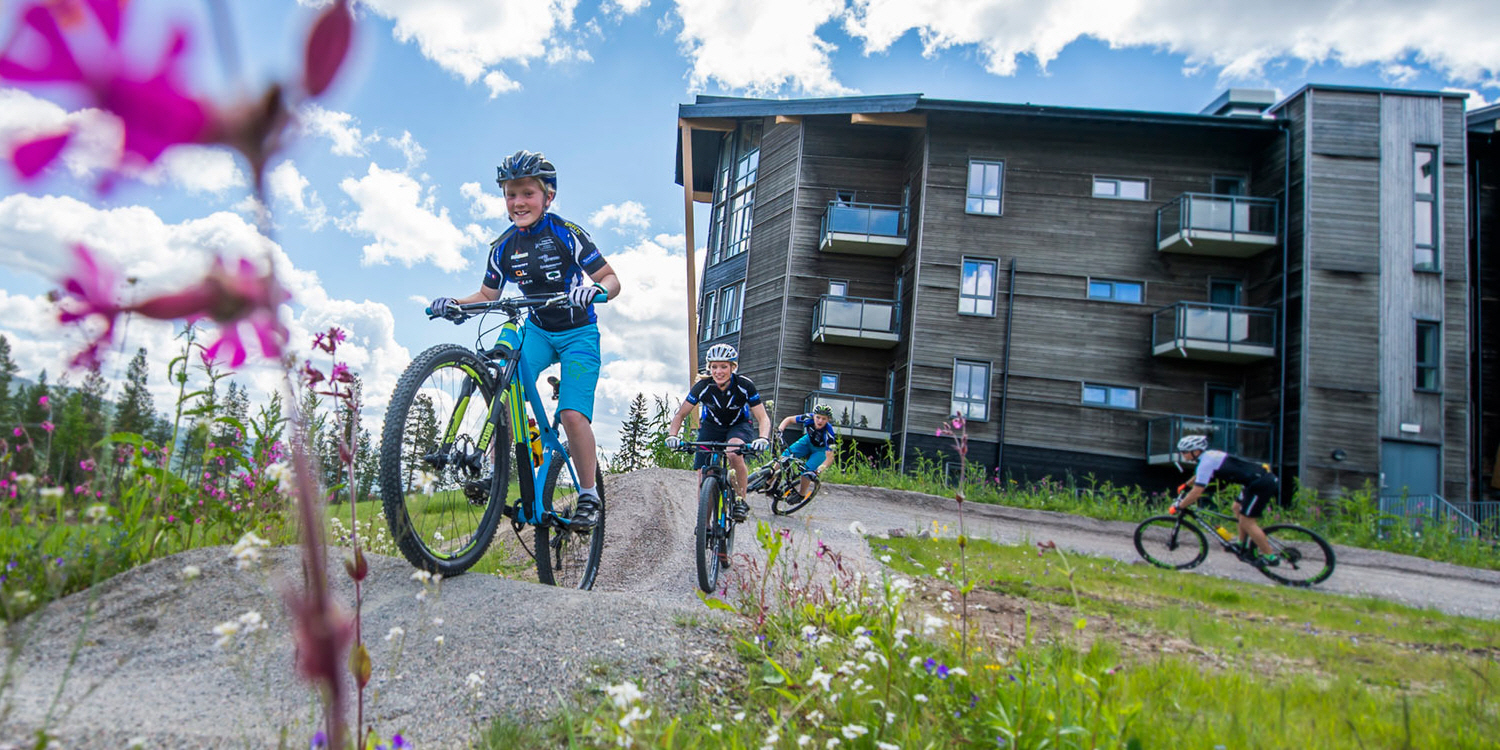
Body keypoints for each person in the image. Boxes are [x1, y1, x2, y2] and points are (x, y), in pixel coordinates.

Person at [428, 149, 620, 531]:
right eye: (510, 194)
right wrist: (453, 303)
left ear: (547, 196)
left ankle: (588, 495)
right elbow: (487, 296)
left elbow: (611, 279)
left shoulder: (567, 233)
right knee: (502, 380)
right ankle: (499, 471)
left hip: (578, 333)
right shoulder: (503, 246)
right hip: (538, 330)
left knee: (570, 414)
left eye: (527, 193)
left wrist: (595, 290)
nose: (518, 202)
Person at [664, 343, 772, 521]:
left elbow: (763, 417)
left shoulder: (745, 385)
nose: (718, 371)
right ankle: (704, 525)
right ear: (709, 368)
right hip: (710, 427)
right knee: (703, 474)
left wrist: (763, 438)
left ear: (732, 367)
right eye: (714, 367)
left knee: (733, 452)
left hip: (738, 425)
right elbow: (680, 414)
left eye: (723, 366)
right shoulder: (702, 386)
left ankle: (740, 501)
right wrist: (672, 436)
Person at [1172, 434, 1281, 565]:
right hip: (1255, 480)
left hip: (1261, 484)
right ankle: (1242, 544)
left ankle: (1271, 557)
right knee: (1236, 507)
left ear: (1196, 451)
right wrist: (1186, 485)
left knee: (1247, 522)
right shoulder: (1210, 455)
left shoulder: (1205, 463)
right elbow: (1201, 475)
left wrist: (1180, 506)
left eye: (1184, 452)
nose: (1183, 455)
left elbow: (1196, 492)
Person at [775, 403, 837, 500]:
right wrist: (780, 430)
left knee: (807, 471)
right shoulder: (808, 417)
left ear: (828, 420)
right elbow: (788, 419)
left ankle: (801, 495)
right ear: (814, 416)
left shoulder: (829, 433)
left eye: (824, 419)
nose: (820, 421)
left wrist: (818, 471)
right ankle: (768, 481)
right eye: (818, 417)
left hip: (820, 450)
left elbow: (830, 458)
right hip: (808, 440)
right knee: (785, 456)